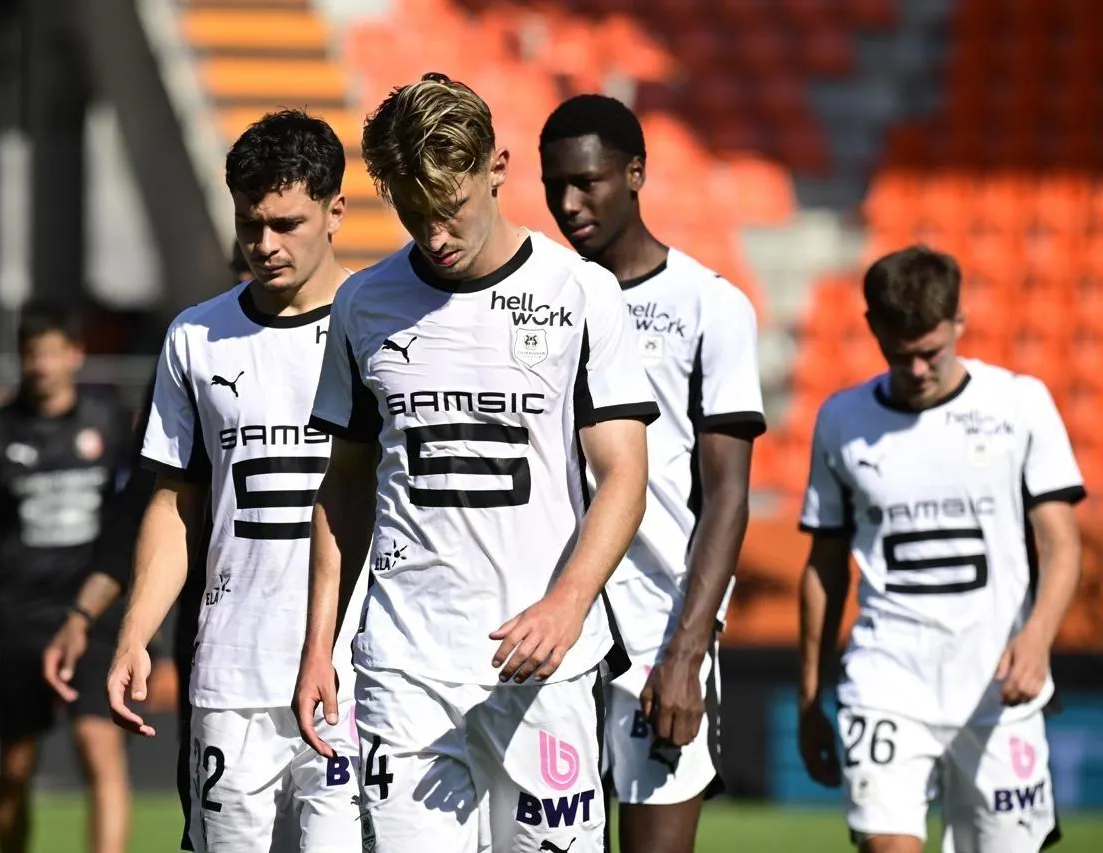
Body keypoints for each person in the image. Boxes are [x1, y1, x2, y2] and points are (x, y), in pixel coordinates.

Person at [293, 72, 658, 853]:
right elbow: (346, 484)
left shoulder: (581, 293)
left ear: (497, 167)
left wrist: (567, 603)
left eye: (448, 209)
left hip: (542, 665)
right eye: (413, 214)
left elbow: (625, 475)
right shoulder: (363, 305)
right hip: (405, 662)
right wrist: (319, 642)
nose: (434, 235)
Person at [105, 110, 362, 853]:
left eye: (285, 223)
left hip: (356, 674)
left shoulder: (381, 325)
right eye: (251, 224)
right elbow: (174, 504)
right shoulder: (194, 335)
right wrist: (135, 633)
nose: (264, 245)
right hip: (231, 673)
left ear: (335, 212)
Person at [796, 246, 1083, 853]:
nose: (919, 369)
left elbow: (1061, 543)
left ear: (960, 322)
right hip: (887, 678)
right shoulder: (841, 419)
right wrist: (809, 694)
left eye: (931, 352)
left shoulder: (1019, 404)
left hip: (997, 685)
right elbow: (825, 565)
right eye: (902, 356)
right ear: (872, 327)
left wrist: (1037, 639)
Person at [538, 94, 766, 853]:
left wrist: (686, 654)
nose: (569, 204)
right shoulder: (538, 300)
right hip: (542, 630)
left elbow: (727, 496)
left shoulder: (709, 305)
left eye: (589, 182)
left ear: (636, 173)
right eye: (554, 184)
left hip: (653, 634)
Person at [44, 240, 251, 853]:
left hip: (333, 633)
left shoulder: (345, 341)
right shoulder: (195, 358)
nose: (257, 274)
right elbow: (146, 513)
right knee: (212, 821)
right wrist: (93, 619)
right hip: (214, 631)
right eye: (241, 267)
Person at [0, 303, 136, 853]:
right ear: (20, 359)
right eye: (33, 354)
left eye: (53, 352)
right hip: (17, 614)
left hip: (94, 611)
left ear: (75, 355)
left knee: (98, 745)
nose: (43, 365)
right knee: (15, 764)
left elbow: (133, 518)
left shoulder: (107, 421)